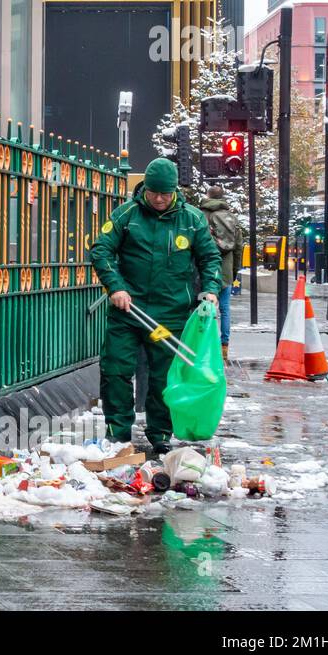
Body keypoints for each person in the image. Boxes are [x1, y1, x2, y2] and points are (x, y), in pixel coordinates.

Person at [89, 158, 222, 456]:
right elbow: (101, 251)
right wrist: (116, 287)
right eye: (153, 193)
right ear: (145, 189)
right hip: (128, 311)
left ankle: (160, 432)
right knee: (116, 370)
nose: (159, 199)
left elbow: (210, 258)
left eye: (164, 193)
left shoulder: (192, 220)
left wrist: (211, 290)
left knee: (163, 375)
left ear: (174, 190)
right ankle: (117, 432)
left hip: (169, 312)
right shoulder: (127, 215)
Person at [199, 185, 243, 361]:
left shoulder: (200, 216)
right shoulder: (231, 218)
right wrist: (234, 270)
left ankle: (202, 345)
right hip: (225, 270)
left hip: (205, 270)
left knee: (203, 307)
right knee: (224, 309)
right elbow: (238, 247)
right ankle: (224, 347)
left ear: (208, 196)